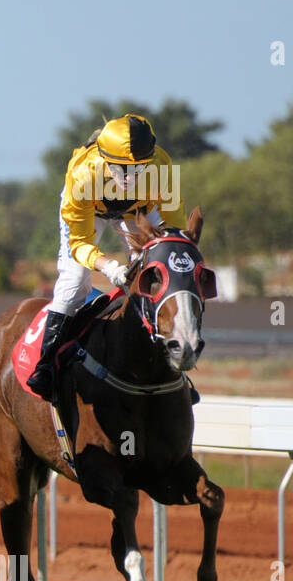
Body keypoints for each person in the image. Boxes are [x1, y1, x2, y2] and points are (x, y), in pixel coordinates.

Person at [25, 113, 185, 401]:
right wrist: (108, 267)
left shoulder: (160, 166)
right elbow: (80, 244)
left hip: (138, 210)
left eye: (138, 169)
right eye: (122, 170)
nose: (130, 178)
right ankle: (46, 364)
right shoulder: (83, 175)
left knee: (156, 273)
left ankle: (174, 364)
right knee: (74, 283)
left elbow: (173, 228)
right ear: (104, 160)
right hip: (90, 211)